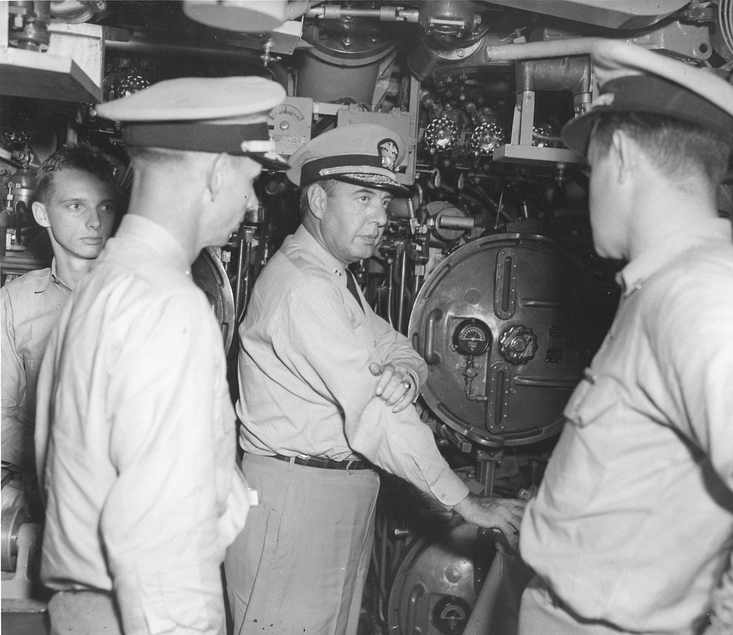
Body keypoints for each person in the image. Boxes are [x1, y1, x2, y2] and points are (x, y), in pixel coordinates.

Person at [517, 40, 733, 635]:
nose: (586, 191)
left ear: (619, 155)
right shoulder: (663, 287)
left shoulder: (703, 296)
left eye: (589, 170)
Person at [225, 123, 525, 635]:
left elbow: (397, 347)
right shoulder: (306, 288)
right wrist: (467, 501)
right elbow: (376, 414)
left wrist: (404, 375)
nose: (380, 218)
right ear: (317, 200)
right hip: (297, 498)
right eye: (363, 197)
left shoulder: (330, 275)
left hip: (331, 492)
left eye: (385, 203)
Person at [34, 76, 288, 635]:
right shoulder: (168, 306)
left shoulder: (101, 287)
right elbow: (161, 540)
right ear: (219, 171)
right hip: (136, 615)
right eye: (249, 181)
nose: (249, 204)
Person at [2, 142, 117, 474]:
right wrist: (63, 459)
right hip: (43, 486)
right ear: (42, 214)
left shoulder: (139, 298)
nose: (95, 221)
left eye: (105, 207)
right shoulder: (15, 303)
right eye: (76, 206)